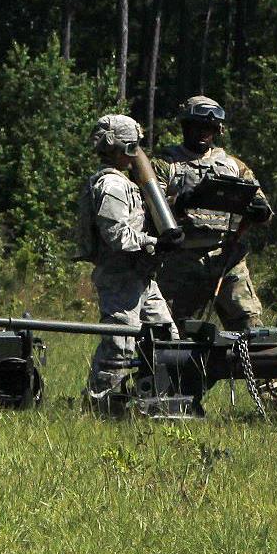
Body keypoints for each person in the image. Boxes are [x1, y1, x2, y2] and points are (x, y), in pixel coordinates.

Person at [76, 114, 175, 409]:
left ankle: (157, 401)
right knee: (119, 346)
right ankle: (100, 405)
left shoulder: (123, 182)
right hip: (120, 278)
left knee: (166, 339)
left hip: (141, 276)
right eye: (132, 147)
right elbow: (116, 235)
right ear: (120, 148)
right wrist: (154, 242)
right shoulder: (112, 186)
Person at [150, 95, 273, 331]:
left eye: (209, 128)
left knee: (251, 329)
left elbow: (263, 209)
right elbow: (150, 209)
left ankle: (243, 368)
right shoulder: (166, 164)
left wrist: (260, 212)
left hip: (227, 258)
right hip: (182, 261)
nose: (204, 133)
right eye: (198, 126)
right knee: (175, 333)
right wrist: (180, 201)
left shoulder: (234, 166)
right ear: (186, 126)